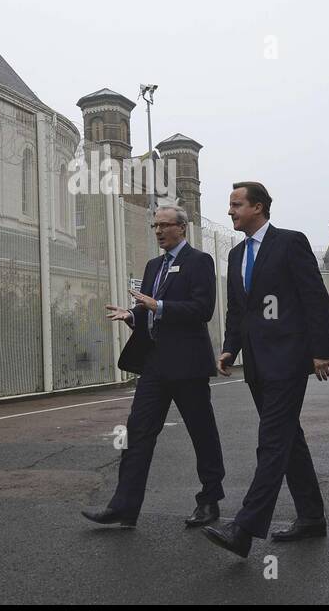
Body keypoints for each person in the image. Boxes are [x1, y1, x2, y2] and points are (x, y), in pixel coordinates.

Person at [202, 182, 329, 558]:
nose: (230, 211)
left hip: (289, 359)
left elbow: (314, 296)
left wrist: (321, 350)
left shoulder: (290, 242)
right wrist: (230, 348)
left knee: (272, 441)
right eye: (230, 205)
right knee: (288, 439)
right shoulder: (236, 254)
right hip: (257, 363)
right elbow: (238, 309)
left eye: (236, 204)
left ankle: (244, 528)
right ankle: (312, 517)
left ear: (258, 207)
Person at [82, 204, 226, 529]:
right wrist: (132, 315)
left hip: (187, 365)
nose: (159, 231)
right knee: (138, 433)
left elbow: (202, 309)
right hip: (155, 364)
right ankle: (124, 506)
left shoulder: (199, 261)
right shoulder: (153, 266)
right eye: (155, 226)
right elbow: (147, 309)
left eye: (165, 225)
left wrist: (158, 305)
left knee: (201, 433)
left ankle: (209, 500)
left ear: (182, 228)